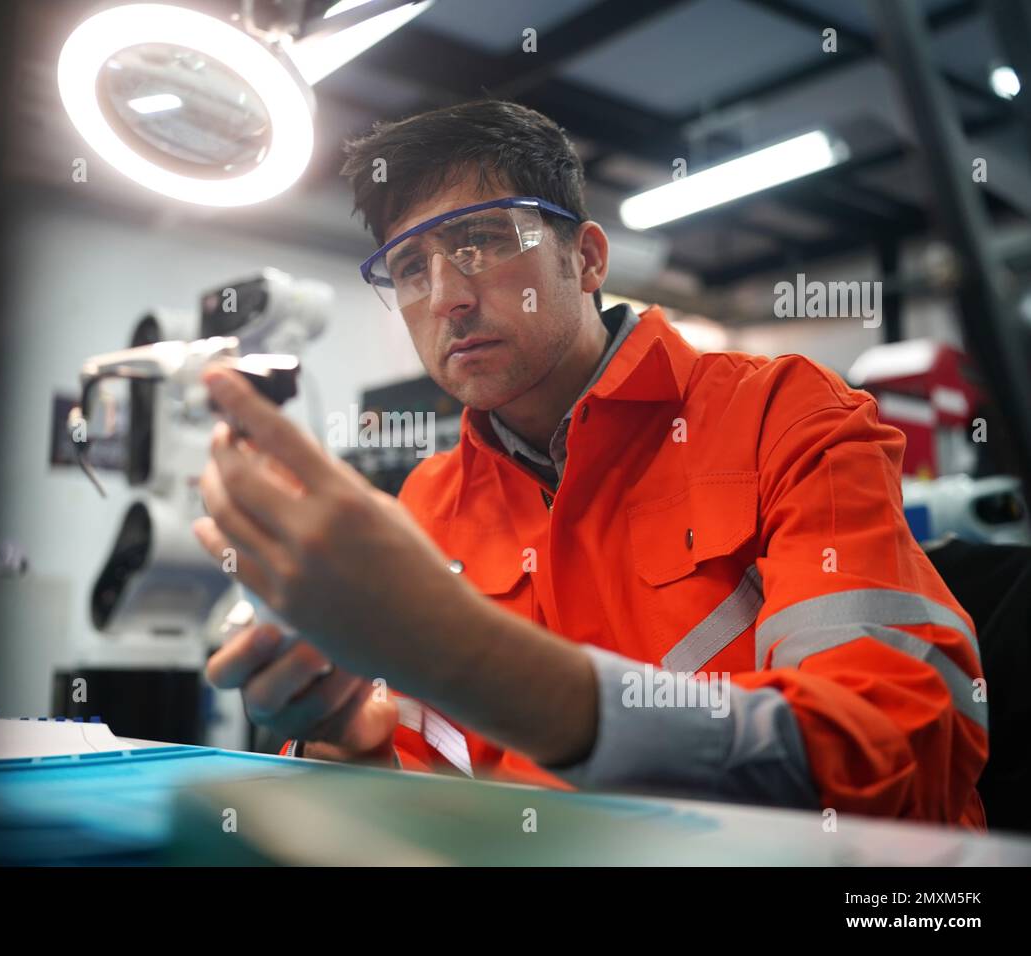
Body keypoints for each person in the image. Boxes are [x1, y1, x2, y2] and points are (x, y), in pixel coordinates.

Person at [193, 100, 987, 826]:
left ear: (587, 258)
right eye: (410, 267)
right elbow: (426, 803)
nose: (446, 297)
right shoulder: (428, 503)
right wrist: (347, 747)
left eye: (479, 241)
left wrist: (474, 658)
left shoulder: (786, 415)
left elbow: (895, 753)